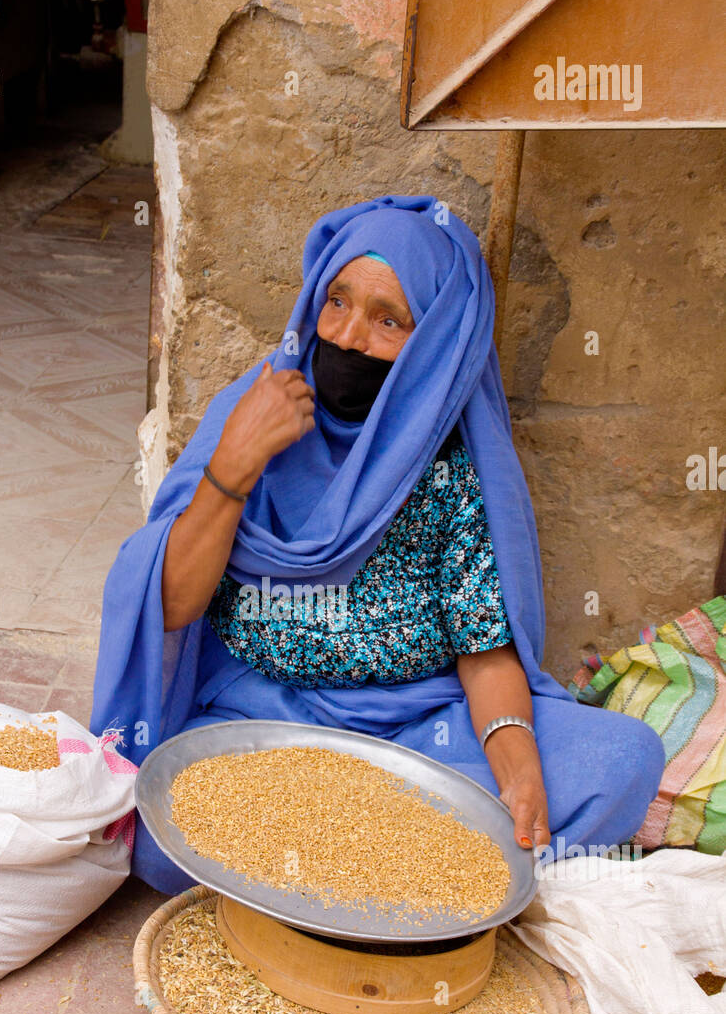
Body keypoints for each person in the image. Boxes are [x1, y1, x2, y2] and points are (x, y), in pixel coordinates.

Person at [91, 195, 664, 893]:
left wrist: (519, 773)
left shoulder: (451, 464)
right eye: (336, 302)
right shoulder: (254, 412)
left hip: (423, 732)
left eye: (388, 319)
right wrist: (233, 466)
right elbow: (172, 603)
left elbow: (485, 656)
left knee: (623, 761)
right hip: (267, 716)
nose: (349, 336)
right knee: (158, 841)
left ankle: (336, 873)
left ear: (431, 345)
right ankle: (404, 877)